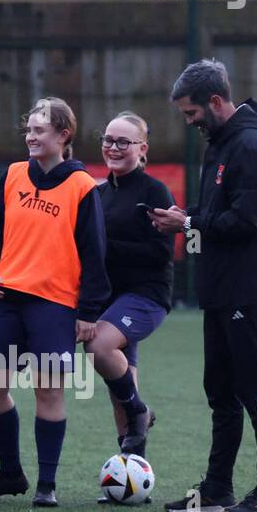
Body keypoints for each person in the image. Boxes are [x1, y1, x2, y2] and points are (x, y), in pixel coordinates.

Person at [152, 59, 257, 512]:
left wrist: (189, 221)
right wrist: (181, 216)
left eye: (192, 113)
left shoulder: (251, 145)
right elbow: (218, 210)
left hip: (246, 292)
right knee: (221, 392)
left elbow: (249, 220)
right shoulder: (222, 141)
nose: (189, 122)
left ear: (215, 101)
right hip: (220, 289)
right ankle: (217, 489)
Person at [0, 96, 110, 508]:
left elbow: (94, 253)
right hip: (7, 296)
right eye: (28, 129)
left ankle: (47, 485)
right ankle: (10, 474)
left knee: (48, 390)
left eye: (39, 130)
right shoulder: (13, 174)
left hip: (54, 303)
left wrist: (88, 312)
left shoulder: (82, 185)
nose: (30, 136)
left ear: (63, 136)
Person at [88, 110, 173, 476]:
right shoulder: (98, 193)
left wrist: (106, 246)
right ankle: (132, 473)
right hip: (109, 298)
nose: (114, 147)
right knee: (118, 385)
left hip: (146, 296)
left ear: (142, 148)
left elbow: (160, 253)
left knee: (99, 347)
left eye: (124, 141)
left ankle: (140, 409)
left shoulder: (154, 191)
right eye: (108, 139)